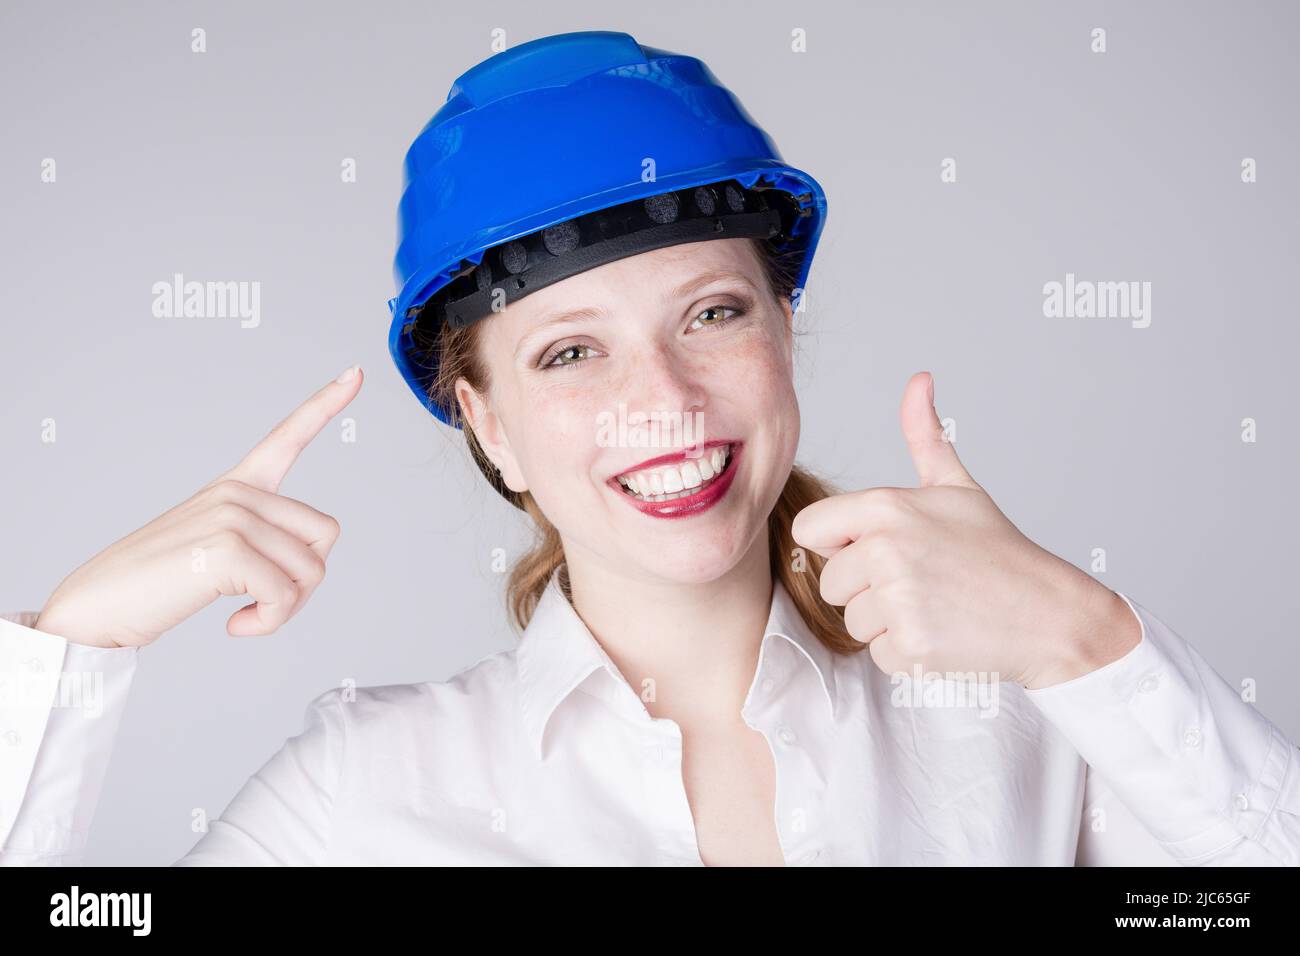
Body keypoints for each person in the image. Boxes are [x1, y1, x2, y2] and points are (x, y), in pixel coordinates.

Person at [1, 31, 1296, 866]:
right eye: (571, 351)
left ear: (785, 333)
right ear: (490, 426)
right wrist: (72, 647)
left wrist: (1090, 642)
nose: (664, 396)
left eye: (713, 314)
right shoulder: (365, 793)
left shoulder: (1020, 726)